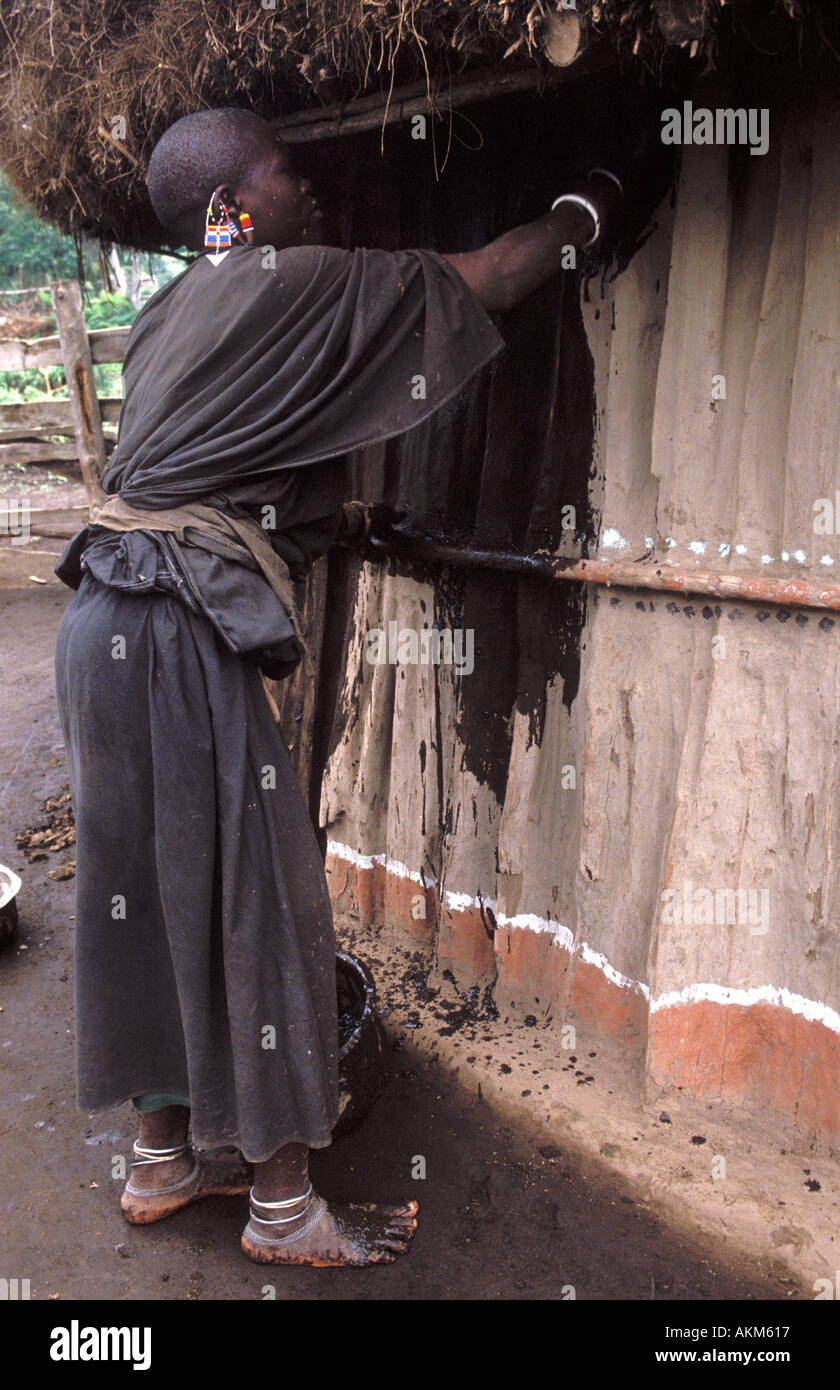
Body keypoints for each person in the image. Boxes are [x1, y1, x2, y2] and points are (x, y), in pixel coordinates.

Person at [54, 106, 623, 1267]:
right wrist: (591, 206)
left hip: (98, 626)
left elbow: (216, 460)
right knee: (257, 899)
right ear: (235, 212)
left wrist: (334, 518)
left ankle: (161, 1161)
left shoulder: (173, 310)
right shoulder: (290, 278)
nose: (309, 185)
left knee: (152, 899)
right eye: (284, 169)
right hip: (176, 631)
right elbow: (499, 274)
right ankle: (280, 1209)